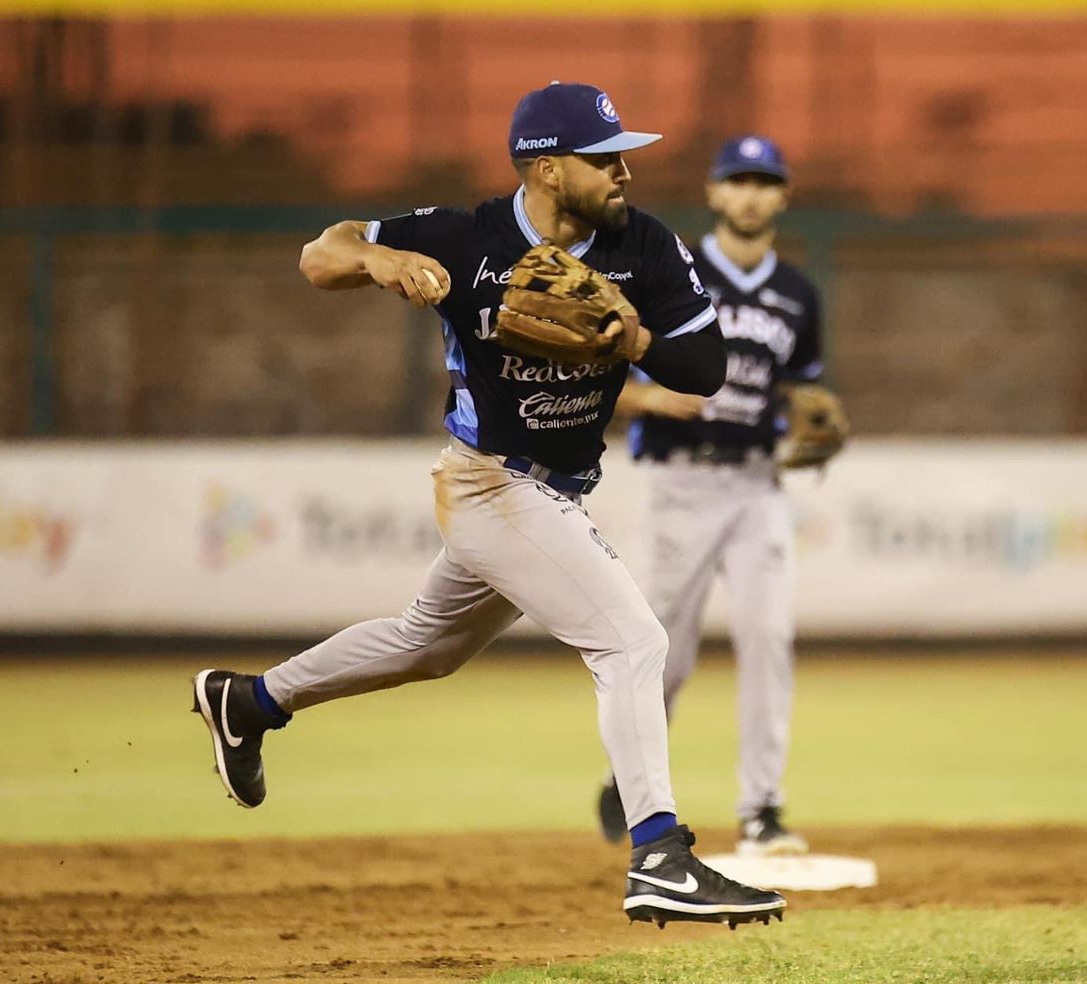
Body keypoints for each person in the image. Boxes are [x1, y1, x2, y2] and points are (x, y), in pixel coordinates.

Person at [189, 83, 783, 928]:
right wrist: (375, 256)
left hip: (555, 490)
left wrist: (634, 340)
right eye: (604, 156)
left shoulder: (641, 242)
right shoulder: (467, 238)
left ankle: (248, 702)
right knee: (632, 639)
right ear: (546, 168)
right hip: (490, 483)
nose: (623, 170)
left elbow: (708, 366)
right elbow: (321, 253)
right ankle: (660, 855)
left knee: (424, 646)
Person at [598, 135, 825, 857]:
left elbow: (803, 392)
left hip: (758, 483)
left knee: (769, 639)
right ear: (715, 193)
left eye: (766, 181)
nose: (752, 194)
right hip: (682, 481)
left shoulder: (798, 293)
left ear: (783, 195)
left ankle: (762, 807)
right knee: (667, 654)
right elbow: (597, 360)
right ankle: (630, 782)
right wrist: (646, 398)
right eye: (739, 180)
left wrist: (818, 417)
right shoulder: (671, 270)